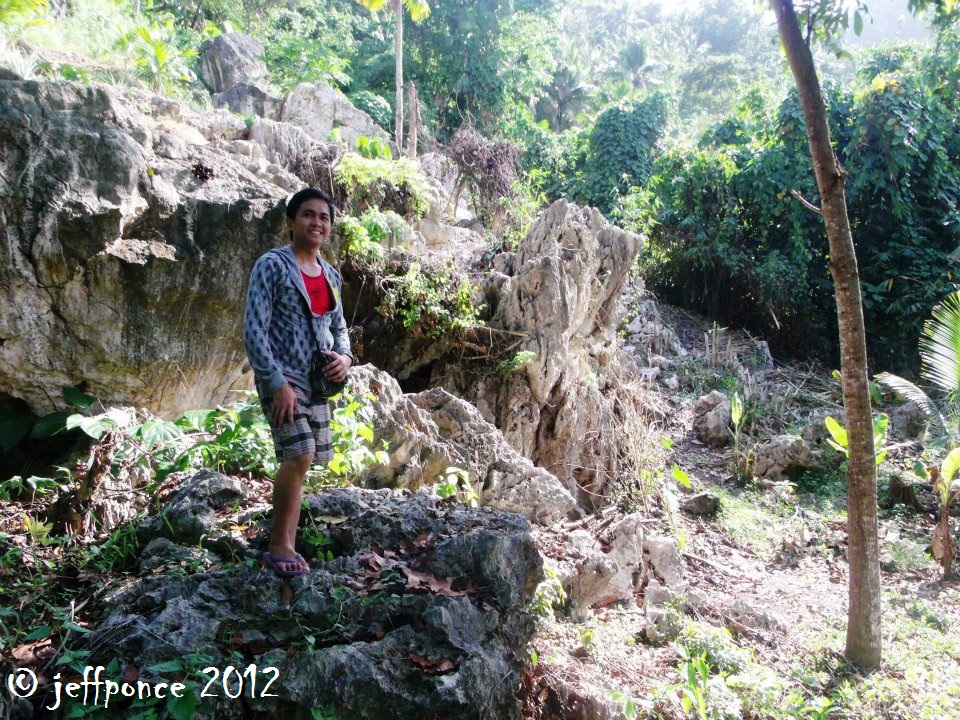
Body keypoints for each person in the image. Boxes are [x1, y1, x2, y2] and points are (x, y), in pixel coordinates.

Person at [243, 188, 353, 576]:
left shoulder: (331, 275)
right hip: (281, 378)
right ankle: (279, 547)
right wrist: (275, 383)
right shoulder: (271, 266)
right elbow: (254, 330)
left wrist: (345, 358)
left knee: (305, 460)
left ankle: (285, 540)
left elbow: (339, 327)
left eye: (324, 217)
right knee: (298, 454)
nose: (317, 223)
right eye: (308, 215)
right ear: (291, 222)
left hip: (317, 382)